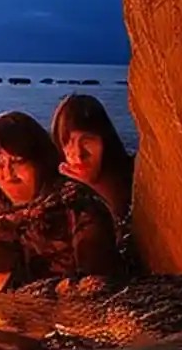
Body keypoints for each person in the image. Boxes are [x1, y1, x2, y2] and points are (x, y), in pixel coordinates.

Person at [0, 111, 123, 291]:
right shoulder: (4, 225)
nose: (7, 174)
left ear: (39, 161)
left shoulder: (79, 208)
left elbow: (97, 286)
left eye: (17, 161)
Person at [50, 93, 138, 270]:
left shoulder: (137, 178)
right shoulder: (55, 196)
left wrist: (95, 190)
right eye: (68, 142)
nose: (78, 153)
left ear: (106, 141)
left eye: (87, 140)